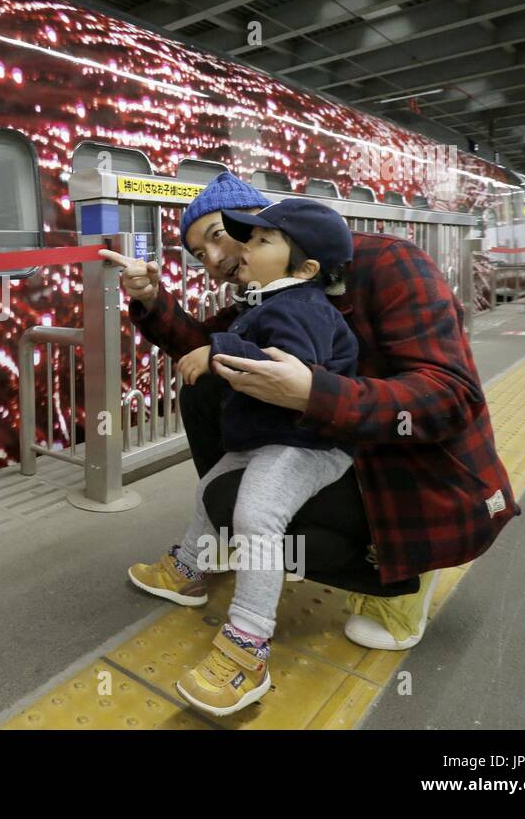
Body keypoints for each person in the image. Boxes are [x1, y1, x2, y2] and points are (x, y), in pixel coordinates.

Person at [99, 171, 519, 656]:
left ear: (265, 225)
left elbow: (448, 396)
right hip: (334, 444)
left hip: (408, 470)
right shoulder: (267, 290)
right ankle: (226, 551)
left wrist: (313, 394)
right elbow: (205, 346)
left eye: (221, 236)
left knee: (253, 513)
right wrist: (150, 298)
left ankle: (404, 573)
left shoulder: (391, 264)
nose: (213, 261)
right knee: (217, 453)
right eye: (199, 255)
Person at [133, 199, 358, 715]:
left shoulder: (300, 306)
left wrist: (216, 352)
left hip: (311, 442)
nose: (243, 250)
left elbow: (297, 368)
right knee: (211, 487)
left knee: (257, 517)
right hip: (270, 435)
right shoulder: (265, 300)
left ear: (304, 268)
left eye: (260, 242)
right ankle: (189, 568)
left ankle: (248, 647)